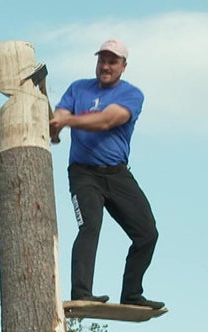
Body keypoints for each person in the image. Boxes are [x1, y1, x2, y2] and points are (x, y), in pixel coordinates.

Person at [49, 39, 164, 309]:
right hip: (83, 175)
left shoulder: (131, 94)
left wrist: (66, 121)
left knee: (148, 234)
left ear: (123, 66)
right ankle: (81, 292)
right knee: (89, 225)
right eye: (102, 60)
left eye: (113, 61)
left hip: (117, 174)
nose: (106, 66)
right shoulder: (78, 88)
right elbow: (60, 114)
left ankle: (132, 294)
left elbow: (107, 120)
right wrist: (56, 124)